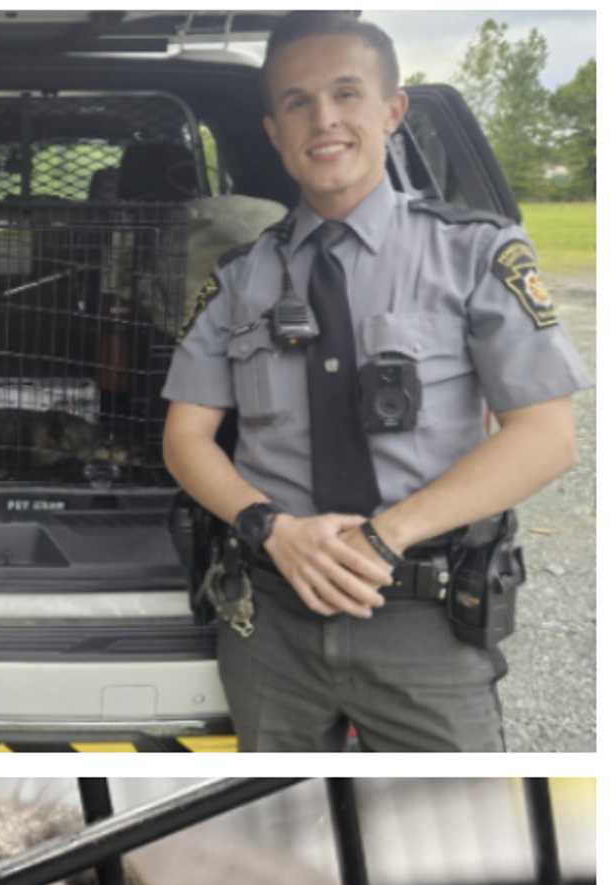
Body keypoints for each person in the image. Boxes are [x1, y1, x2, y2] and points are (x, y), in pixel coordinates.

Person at [162, 11, 590, 752]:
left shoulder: (477, 254)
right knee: (276, 827)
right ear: (272, 130)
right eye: (297, 101)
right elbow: (185, 436)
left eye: (346, 93)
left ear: (393, 111)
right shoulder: (237, 278)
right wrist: (273, 528)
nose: (323, 118)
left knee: (459, 831)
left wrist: (384, 539)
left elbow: (547, 438)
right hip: (271, 618)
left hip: (425, 621)